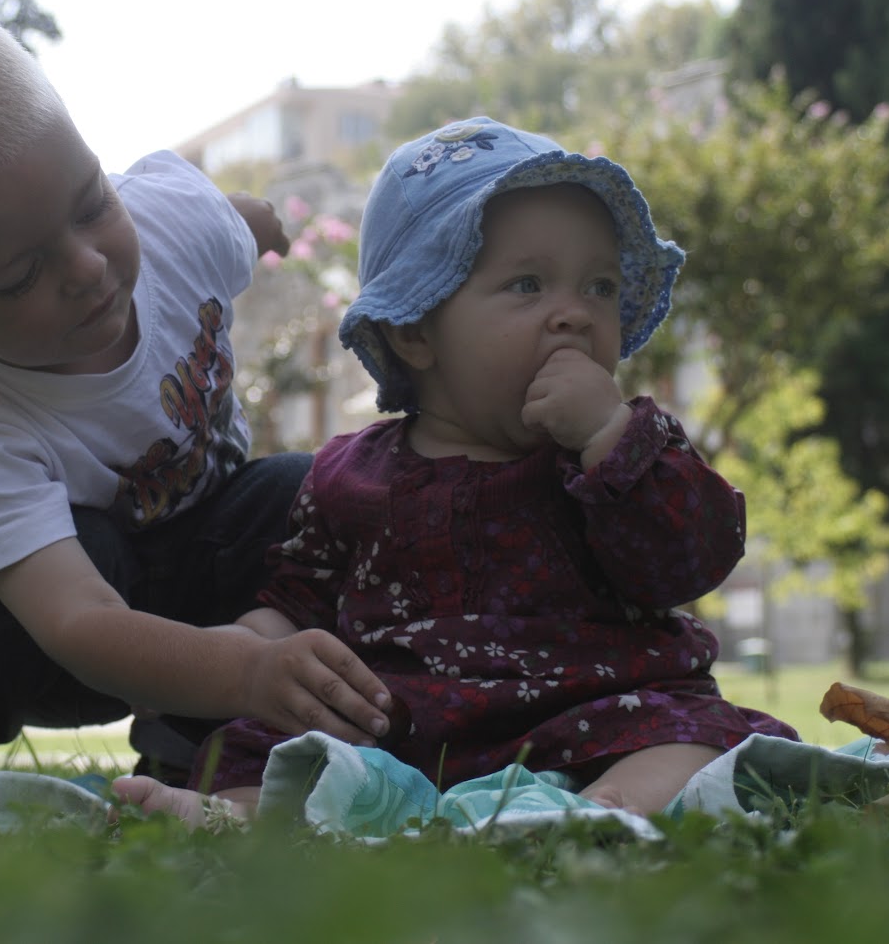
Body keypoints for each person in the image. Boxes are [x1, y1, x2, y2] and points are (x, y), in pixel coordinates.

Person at [0, 0, 395, 779]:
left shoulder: (171, 220)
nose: (89, 267)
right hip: (40, 622)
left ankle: (195, 755)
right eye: (23, 273)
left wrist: (258, 224)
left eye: (93, 203)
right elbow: (77, 619)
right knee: (81, 553)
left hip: (190, 549)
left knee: (301, 489)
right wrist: (245, 669)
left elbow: (243, 221)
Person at [114, 116, 798, 825]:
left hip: (595, 717)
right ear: (413, 329)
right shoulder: (351, 473)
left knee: (695, 737)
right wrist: (248, 652)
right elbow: (297, 602)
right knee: (274, 746)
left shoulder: (622, 451)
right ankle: (237, 816)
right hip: (405, 729)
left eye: (599, 286)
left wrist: (609, 435)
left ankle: (597, 816)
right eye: (529, 284)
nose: (574, 314)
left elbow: (693, 557)